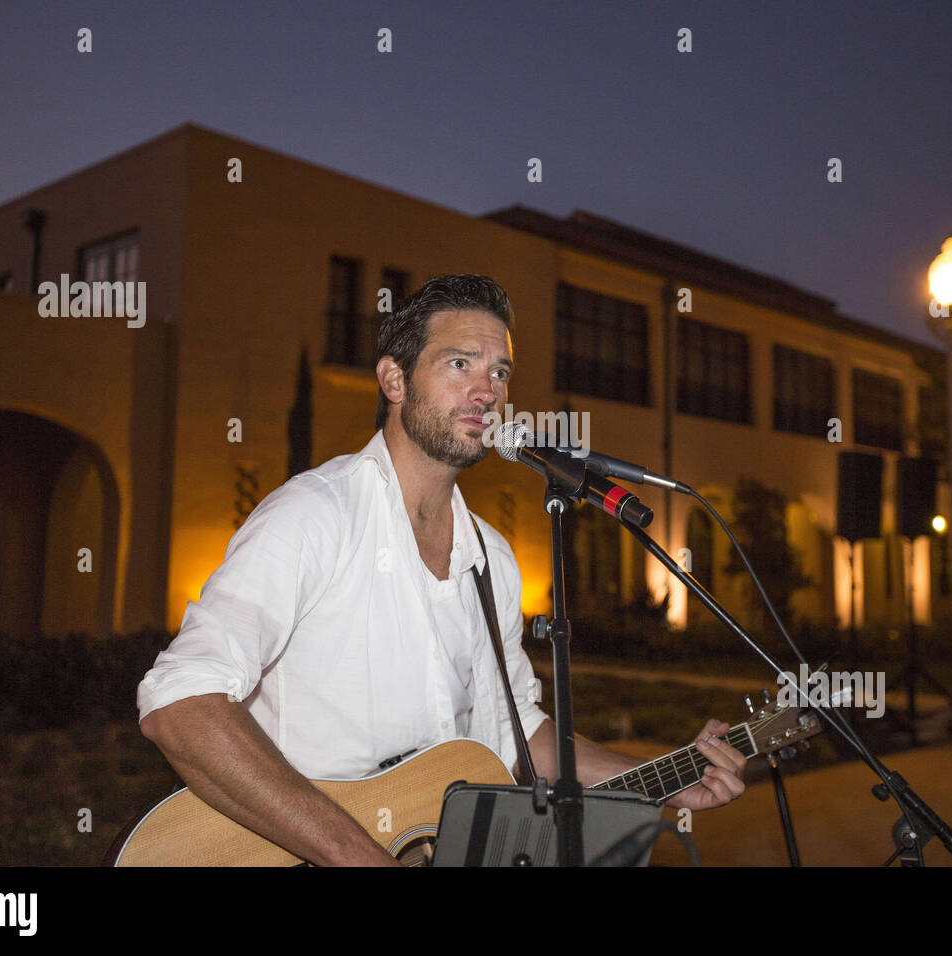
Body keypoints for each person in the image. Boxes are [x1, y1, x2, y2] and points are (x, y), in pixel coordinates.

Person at [137, 274, 746, 866]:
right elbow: (181, 702)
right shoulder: (315, 514)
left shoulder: (493, 560)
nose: (487, 391)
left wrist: (659, 778)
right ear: (394, 379)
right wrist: (359, 855)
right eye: (460, 364)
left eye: (499, 372)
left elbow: (519, 737)